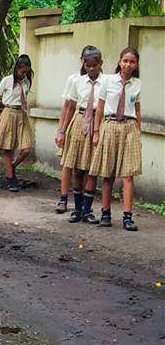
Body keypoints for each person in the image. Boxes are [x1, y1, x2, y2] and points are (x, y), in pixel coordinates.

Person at [90, 47, 142, 231]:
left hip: (129, 128)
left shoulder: (137, 84)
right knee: (108, 173)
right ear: (120, 62)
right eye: (125, 60)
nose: (128, 64)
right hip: (110, 126)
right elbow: (101, 109)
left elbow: (136, 110)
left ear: (136, 65)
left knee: (128, 174)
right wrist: (96, 132)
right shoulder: (108, 81)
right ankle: (106, 213)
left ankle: (127, 217)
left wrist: (139, 133)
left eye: (132, 62)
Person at [55, 47, 103, 224]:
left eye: (95, 65)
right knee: (76, 167)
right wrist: (62, 130)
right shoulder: (77, 81)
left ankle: (87, 210)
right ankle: (76, 209)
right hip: (79, 121)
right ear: (83, 63)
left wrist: (98, 129)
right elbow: (70, 107)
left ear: (101, 64)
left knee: (92, 169)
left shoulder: (107, 82)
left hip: (97, 123)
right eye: (88, 65)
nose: (91, 68)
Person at [0, 54, 34, 192]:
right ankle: (10, 179)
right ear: (16, 69)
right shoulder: (6, 81)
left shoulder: (26, 82)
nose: (24, 74)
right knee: (7, 149)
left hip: (21, 115)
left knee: (26, 148)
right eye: (22, 71)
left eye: (26, 71)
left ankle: (12, 166)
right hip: (8, 113)